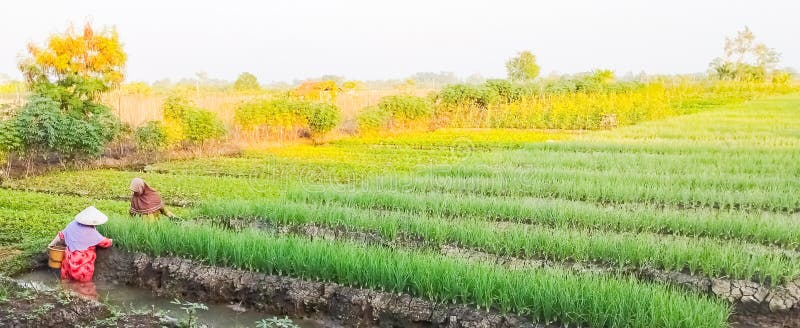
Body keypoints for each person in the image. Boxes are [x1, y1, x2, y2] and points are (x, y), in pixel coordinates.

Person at [48, 206, 113, 283]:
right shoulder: (92, 233)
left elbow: (60, 235)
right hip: (82, 267)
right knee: (84, 288)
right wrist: (111, 240)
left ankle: (64, 294)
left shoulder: (72, 224)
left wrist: (50, 245)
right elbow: (106, 243)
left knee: (66, 284)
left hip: (67, 262)